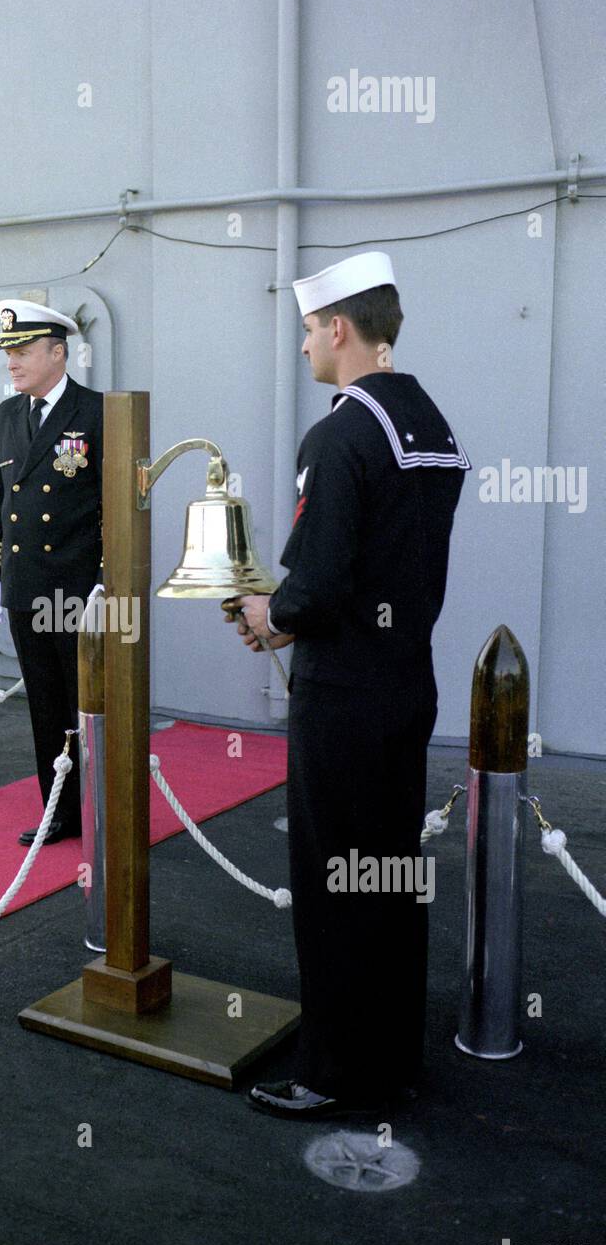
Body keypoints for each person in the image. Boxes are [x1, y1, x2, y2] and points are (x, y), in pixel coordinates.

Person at [229, 251, 470, 1118]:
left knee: (335, 881)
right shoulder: (430, 425)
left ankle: (333, 1071)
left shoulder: (338, 434)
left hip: (339, 699)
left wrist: (269, 614)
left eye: (306, 330)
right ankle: (391, 1055)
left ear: (338, 328)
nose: (301, 347)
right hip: (407, 684)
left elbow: (319, 586)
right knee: (390, 876)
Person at [0, 300, 103, 845]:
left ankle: (101, 808)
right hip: (27, 587)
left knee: (90, 706)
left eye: (23, 351)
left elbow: (115, 505)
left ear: (59, 352)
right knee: (45, 708)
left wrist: (107, 578)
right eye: (9, 353)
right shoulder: (9, 415)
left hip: (80, 591)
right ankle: (59, 811)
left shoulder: (97, 413)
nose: (12, 363)